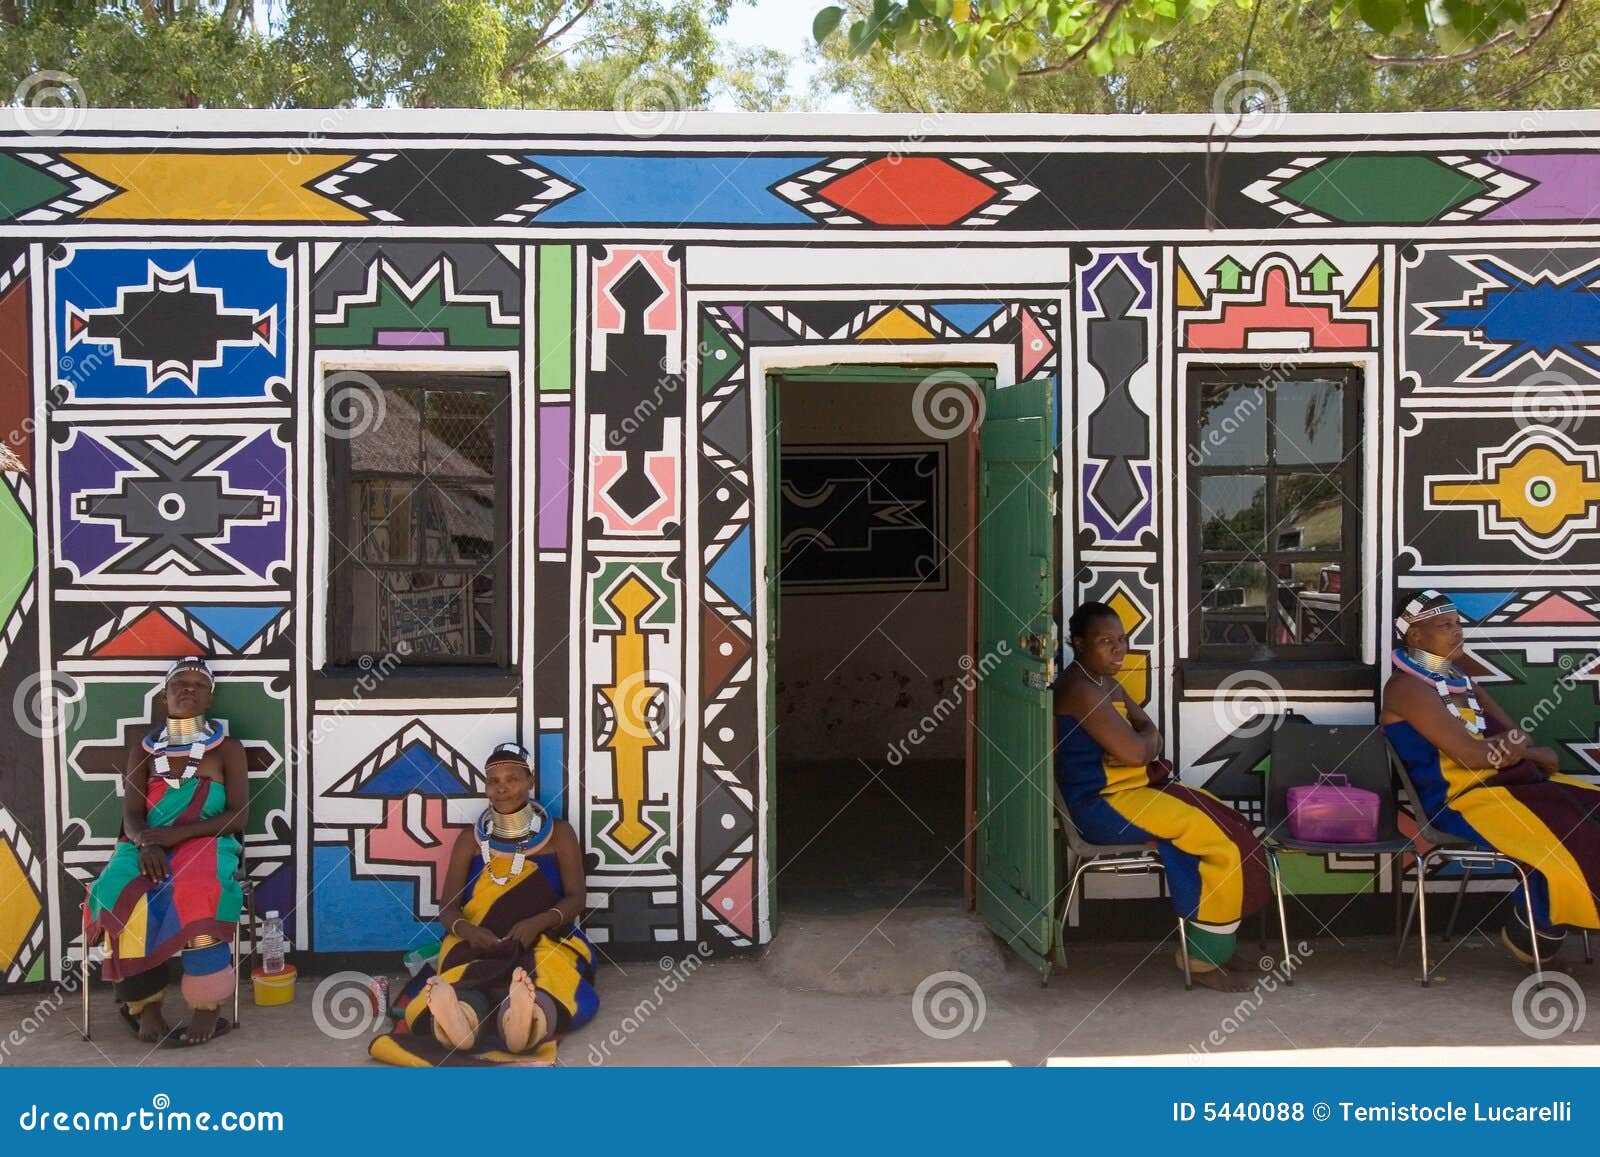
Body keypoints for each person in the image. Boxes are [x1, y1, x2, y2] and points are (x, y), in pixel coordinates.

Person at [1055, 602, 1268, 990]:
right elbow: (1139, 750)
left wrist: (1144, 742)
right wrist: (1143, 744)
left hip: (1134, 792)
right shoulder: (1080, 689)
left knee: (1229, 820)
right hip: (1102, 807)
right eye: (1105, 641)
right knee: (1216, 840)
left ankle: (1216, 946)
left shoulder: (1105, 683)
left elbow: (1149, 736)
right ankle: (1202, 962)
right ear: (1079, 643)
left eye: (1122, 639)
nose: (1118, 649)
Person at [1382, 590, 1600, 967]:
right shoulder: (1405, 688)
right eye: (1444, 625)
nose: (1457, 632)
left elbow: (1517, 736)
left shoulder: (1460, 679)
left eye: (1457, 624)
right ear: (1415, 636)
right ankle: (1535, 929)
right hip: (1463, 800)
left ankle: (1536, 923)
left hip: (1509, 785)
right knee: (1568, 832)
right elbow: (1471, 757)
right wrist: (1524, 753)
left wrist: (1514, 750)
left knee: (1591, 805)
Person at [84, 656, 249, 1046]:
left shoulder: (227, 749)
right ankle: (146, 1006)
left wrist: (175, 837)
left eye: (199, 685)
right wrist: (146, 843)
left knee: (198, 888)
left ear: (210, 698)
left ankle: (207, 1006)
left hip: (207, 840)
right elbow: (130, 814)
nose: (189, 689)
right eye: (179, 684)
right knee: (117, 891)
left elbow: (238, 816)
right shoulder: (143, 749)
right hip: (145, 842)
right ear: (164, 696)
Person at [401, 742, 597, 1054]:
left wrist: (539, 922)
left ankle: (523, 1022)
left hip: (544, 938)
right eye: (493, 781)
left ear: (530, 781)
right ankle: (459, 1019)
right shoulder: (469, 841)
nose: (502, 788)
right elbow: (448, 908)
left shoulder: (559, 834)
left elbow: (576, 899)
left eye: (512, 779)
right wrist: (469, 932)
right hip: (479, 942)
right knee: (467, 975)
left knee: (550, 974)